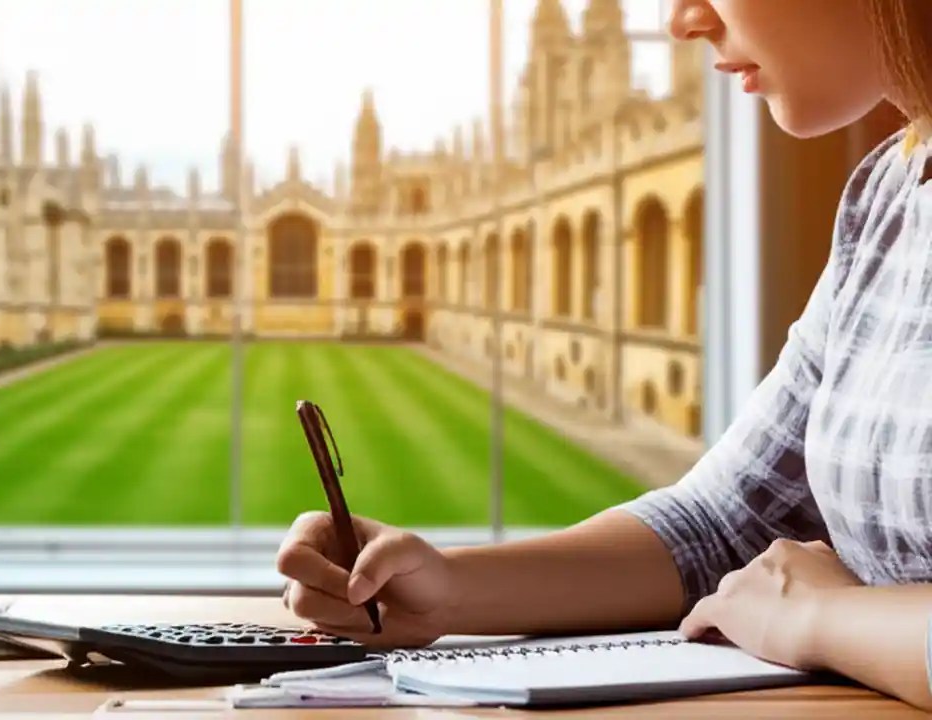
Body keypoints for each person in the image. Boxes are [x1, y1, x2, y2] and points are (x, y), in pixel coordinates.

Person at [276, 0, 932, 710]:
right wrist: (441, 592)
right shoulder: (884, 197)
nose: (683, 18)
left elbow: (777, 586)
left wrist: (822, 618)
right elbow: (721, 526)